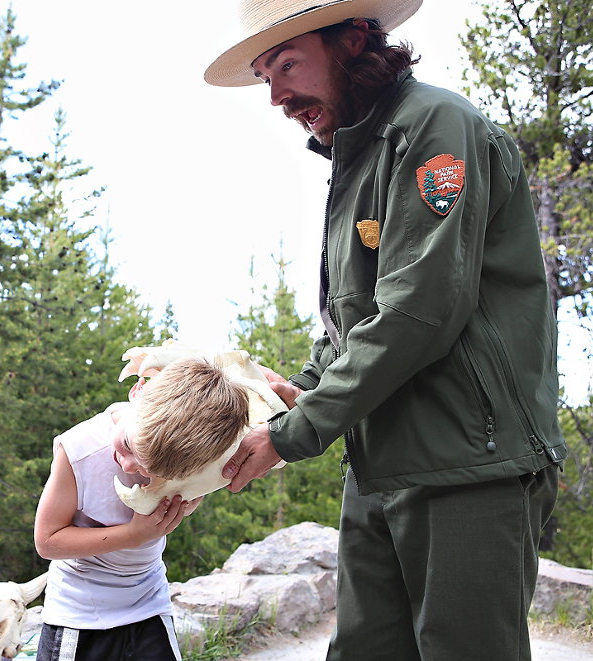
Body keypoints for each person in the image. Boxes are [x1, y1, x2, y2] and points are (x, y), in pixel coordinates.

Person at [205, 1, 568, 660]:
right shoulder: (358, 154)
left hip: (469, 464)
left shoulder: (434, 129)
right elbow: (352, 319)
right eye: (265, 77)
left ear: (350, 41)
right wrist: (298, 391)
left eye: (287, 64)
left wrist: (294, 431)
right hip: (380, 464)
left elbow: (416, 312)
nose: (278, 97)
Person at [33, 356, 251, 661]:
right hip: (80, 614)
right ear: (139, 390)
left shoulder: (184, 453)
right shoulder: (79, 450)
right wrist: (134, 535)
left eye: (148, 469)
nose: (127, 464)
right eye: (126, 445)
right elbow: (46, 540)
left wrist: (188, 502)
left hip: (149, 601)